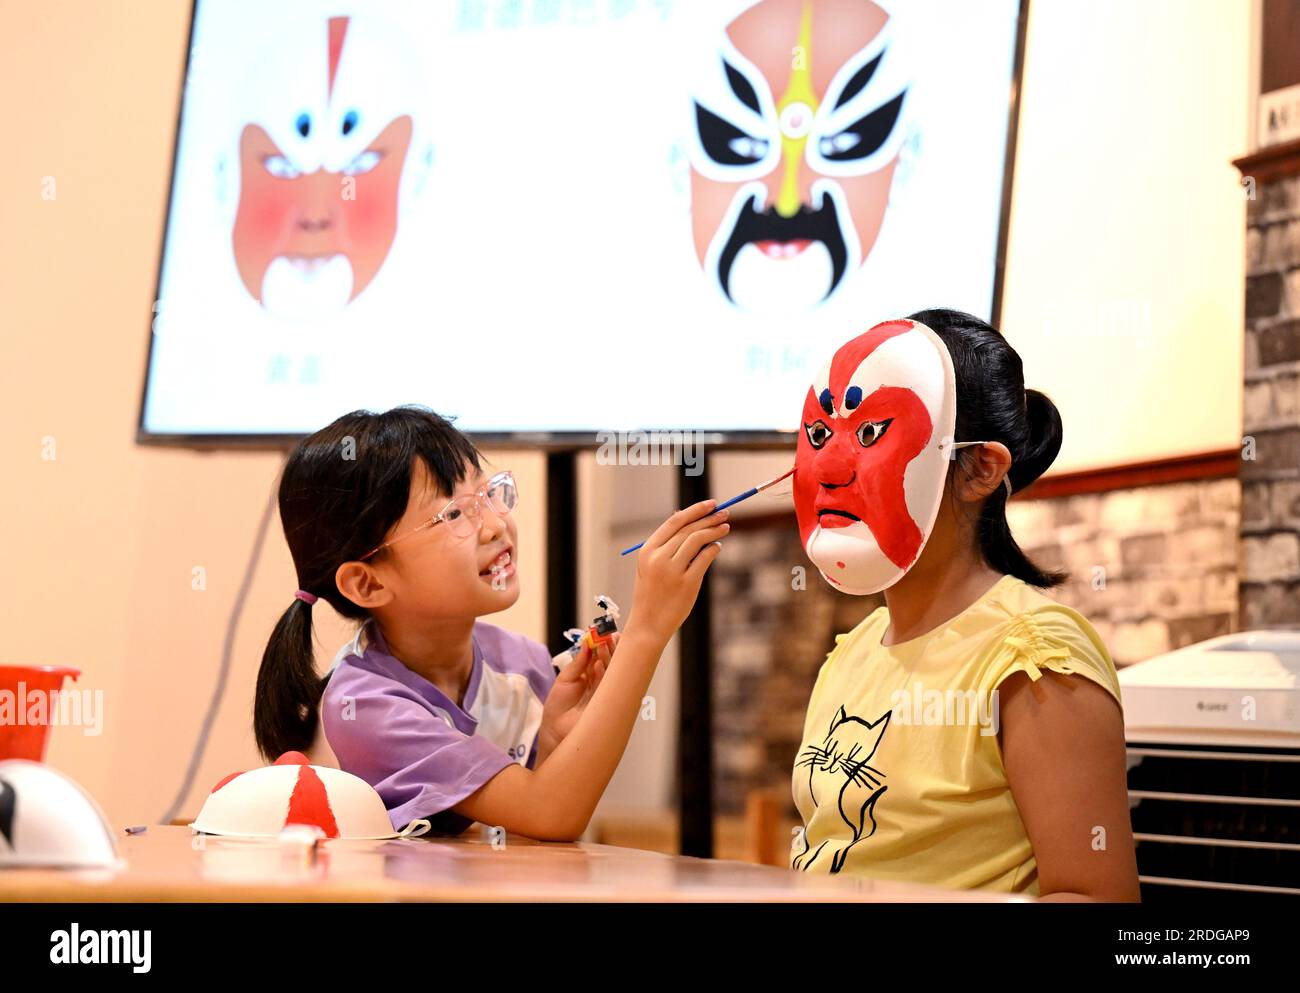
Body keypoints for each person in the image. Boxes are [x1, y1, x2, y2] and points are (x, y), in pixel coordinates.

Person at [789, 309, 1140, 900]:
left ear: (980, 469)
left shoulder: (1035, 658)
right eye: (821, 434)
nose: (828, 466)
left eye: (871, 432)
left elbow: (1096, 898)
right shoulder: (851, 653)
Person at [253, 405, 727, 840]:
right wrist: (647, 631)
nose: (496, 524)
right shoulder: (364, 706)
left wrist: (554, 743)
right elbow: (553, 812)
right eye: (454, 513)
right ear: (368, 583)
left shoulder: (521, 662)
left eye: (488, 493)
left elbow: (533, 841)